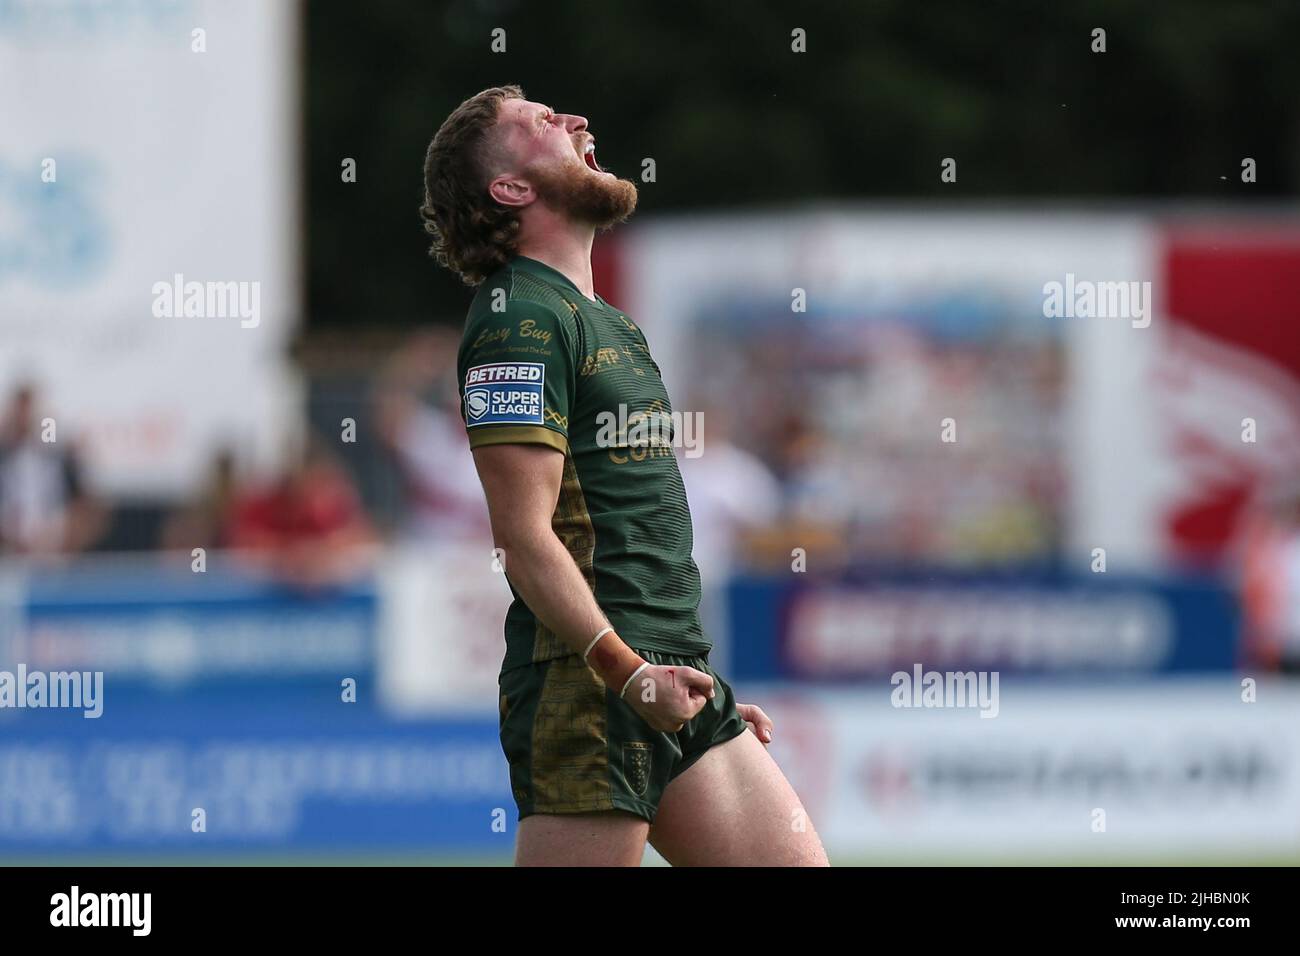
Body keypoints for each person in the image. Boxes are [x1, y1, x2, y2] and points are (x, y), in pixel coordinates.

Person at [421, 85, 828, 866]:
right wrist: (627, 671)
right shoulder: (517, 318)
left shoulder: (608, 322)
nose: (574, 119)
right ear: (510, 189)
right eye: (543, 123)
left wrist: (683, 674)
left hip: (673, 671)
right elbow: (523, 536)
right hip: (595, 683)